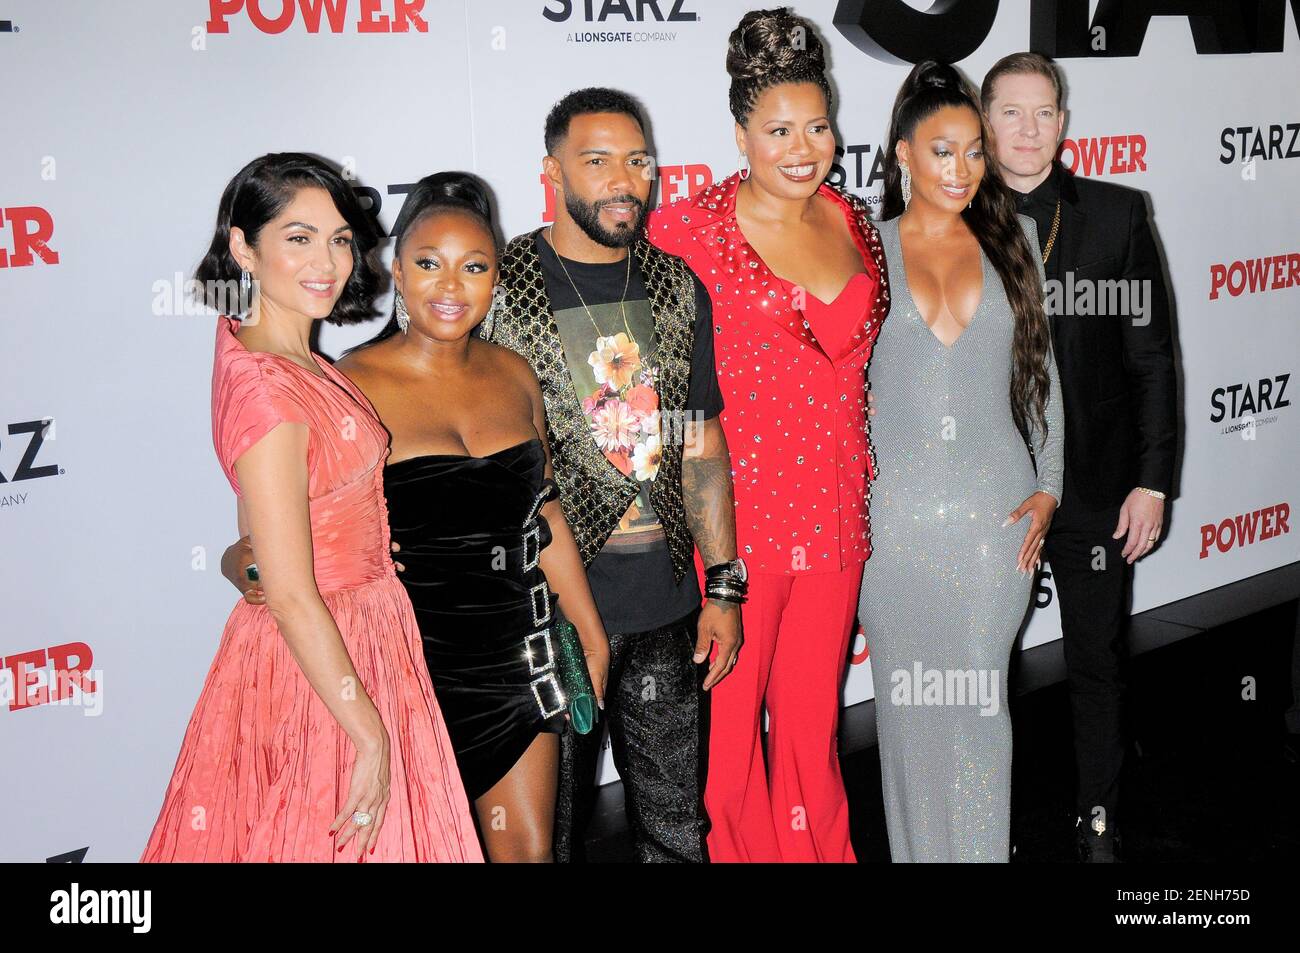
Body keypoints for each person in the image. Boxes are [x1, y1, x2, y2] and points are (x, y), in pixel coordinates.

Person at [222, 172, 612, 863]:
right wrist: (254, 567)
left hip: (514, 660)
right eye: (428, 263)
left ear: (497, 277)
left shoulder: (515, 375)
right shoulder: (347, 383)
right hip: (401, 666)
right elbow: (260, 540)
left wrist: (588, 626)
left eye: (474, 266)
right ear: (396, 271)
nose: (450, 286)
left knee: (528, 853)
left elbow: (541, 508)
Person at [142, 153, 482, 862]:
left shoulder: (284, 354)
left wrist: (336, 544)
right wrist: (367, 732)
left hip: (357, 629)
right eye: (298, 238)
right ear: (243, 246)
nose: (326, 260)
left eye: (337, 238)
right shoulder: (270, 387)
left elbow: (260, 545)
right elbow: (292, 592)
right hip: (327, 657)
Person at [649, 7, 890, 863]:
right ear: (740, 134)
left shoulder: (856, 220)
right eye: (778, 129)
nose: (801, 146)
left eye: (817, 126)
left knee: (813, 733)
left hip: (835, 524)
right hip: (736, 533)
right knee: (725, 749)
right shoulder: (685, 231)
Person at [496, 87, 744, 863]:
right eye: (596, 160)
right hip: (544, 618)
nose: (623, 181)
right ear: (551, 170)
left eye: (638, 160)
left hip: (665, 610)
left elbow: (702, 443)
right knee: (548, 839)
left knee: (676, 832)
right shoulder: (495, 286)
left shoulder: (677, 288)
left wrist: (724, 586)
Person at [858, 61, 1064, 862]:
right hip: (895, 524)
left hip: (995, 520)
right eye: (942, 151)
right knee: (909, 717)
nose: (962, 169)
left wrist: (1049, 489)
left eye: (974, 151)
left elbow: (1042, 384)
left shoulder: (1011, 243)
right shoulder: (860, 252)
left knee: (980, 706)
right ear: (902, 155)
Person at [981, 52, 1177, 862]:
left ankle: (1098, 815)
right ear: (983, 121)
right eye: (1011, 113)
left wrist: (1153, 480)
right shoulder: (942, 220)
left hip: (1096, 485)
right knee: (977, 671)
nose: (1030, 130)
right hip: (985, 489)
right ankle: (978, 823)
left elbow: (1152, 359)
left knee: (1096, 659)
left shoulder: (1116, 213)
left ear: (1065, 121)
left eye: (1045, 112)